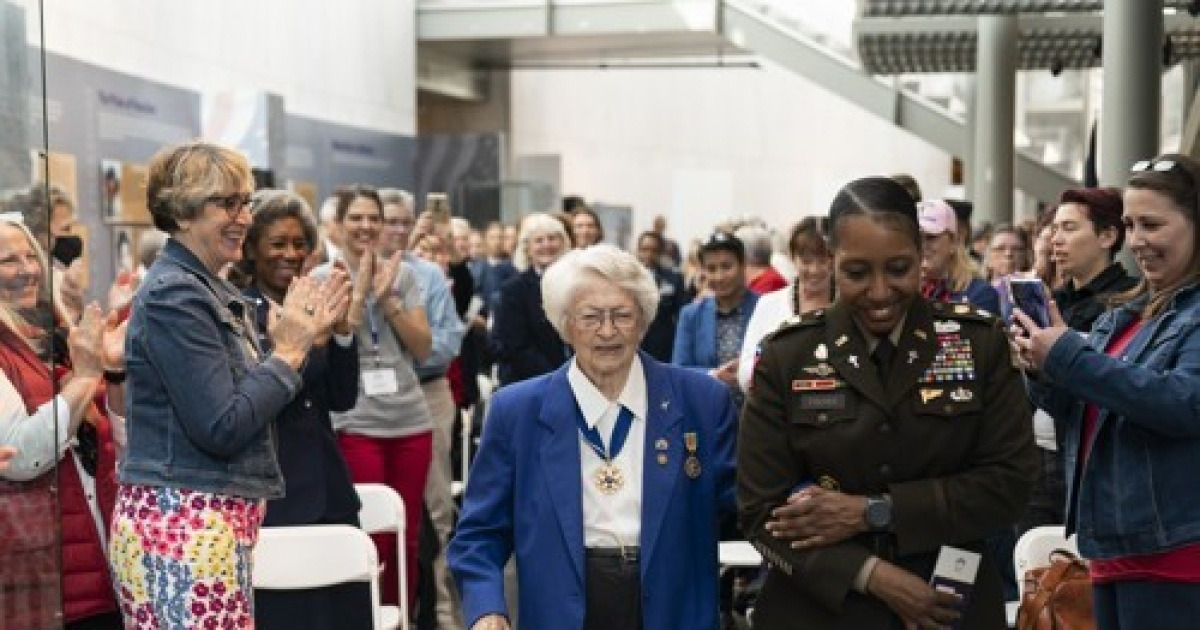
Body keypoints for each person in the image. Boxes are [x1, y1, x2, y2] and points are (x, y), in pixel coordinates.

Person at [738, 176, 1037, 629]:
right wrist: (873, 576)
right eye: (857, 273)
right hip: (820, 603)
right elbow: (760, 511)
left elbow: (1011, 483)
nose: (879, 292)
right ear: (831, 262)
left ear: (923, 256)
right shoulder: (788, 354)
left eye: (899, 268)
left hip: (945, 604)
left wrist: (872, 512)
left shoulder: (977, 343)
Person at [108, 141, 347, 629]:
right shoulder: (177, 292)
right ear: (182, 211)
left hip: (206, 520)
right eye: (227, 203)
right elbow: (222, 424)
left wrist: (301, 343)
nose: (243, 217)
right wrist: (290, 352)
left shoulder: (204, 287)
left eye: (246, 203)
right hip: (183, 525)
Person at [448, 244, 737, 630]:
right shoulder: (516, 411)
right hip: (561, 612)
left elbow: (747, 502)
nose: (607, 331)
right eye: (590, 317)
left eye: (621, 316)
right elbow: (478, 534)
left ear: (643, 321)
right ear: (564, 324)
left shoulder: (701, 401)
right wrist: (486, 608)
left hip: (673, 609)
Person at [1016, 153, 1200, 629]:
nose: (1137, 241)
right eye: (1131, 224)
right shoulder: (1129, 310)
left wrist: (1069, 359)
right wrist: (1041, 366)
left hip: (1175, 558)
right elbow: (1075, 408)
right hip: (1112, 549)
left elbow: (1183, 403)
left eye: (1152, 225)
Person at [241, 190, 370, 630]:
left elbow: (342, 398)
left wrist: (344, 331)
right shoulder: (235, 312)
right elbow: (259, 400)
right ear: (252, 248)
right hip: (275, 500)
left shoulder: (318, 299)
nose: (290, 254)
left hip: (331, 495)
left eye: (299, 244)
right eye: (277, 244)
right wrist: (306, 345)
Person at [0, 217, 125, 630]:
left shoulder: (55, 332)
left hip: (103, 564)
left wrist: (115, 371)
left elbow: (115, 438)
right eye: (6, 261)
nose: (26, 270)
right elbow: (19, 455)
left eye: (29, 256)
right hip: (42, 581)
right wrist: (88, 376)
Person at [314, 185, 433, 610]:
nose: (366, 226)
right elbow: (321, 349)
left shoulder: (402, 275)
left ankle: (402, 615)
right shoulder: (320, 279)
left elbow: (422, 347)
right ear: (338, 224)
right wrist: (359, 294)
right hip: (356, 420)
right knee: (368, 534)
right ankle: (365, 616)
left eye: (373, 218)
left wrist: (389, 299)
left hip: (411, 418)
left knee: (407, 534)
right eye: (357, 217)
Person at [737, 216, 834, 392]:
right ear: (792, 258)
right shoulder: (769, 304)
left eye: (824, 260)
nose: (815, 270)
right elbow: (745, 372)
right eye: (806, 261)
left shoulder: (850, 303)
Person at [672, 232, 759, 408]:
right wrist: (713, 375)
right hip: (708, 413)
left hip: (756, 417)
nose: (719, 276)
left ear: (743, 266)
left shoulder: (763, 308)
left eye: (726, 267)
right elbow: (678, 370)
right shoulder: (691, 315)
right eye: (711, 269)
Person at [490, 212, 570, 387]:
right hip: (531, 383)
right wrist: (558, 378)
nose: (546, 245)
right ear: (527, 248)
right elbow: (517, 347)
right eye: (539, 240)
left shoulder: (575, 284)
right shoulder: (514, 289)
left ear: (563, 243)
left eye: (552, 238)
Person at [918, 199, 1001, 315]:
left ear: (954, 241)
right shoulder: (903, 291)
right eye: (916, 238)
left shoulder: (979, 294)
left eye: (931, 237)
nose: (922, 245)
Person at [634, 231, 686, 362]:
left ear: (661, 252)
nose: (649, 254)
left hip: (663, 344)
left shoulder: (674, 278)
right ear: (638, 250)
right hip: (634, 340)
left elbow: (681, 312)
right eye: (644, 249)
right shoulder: (626, 278)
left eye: (654, 250)